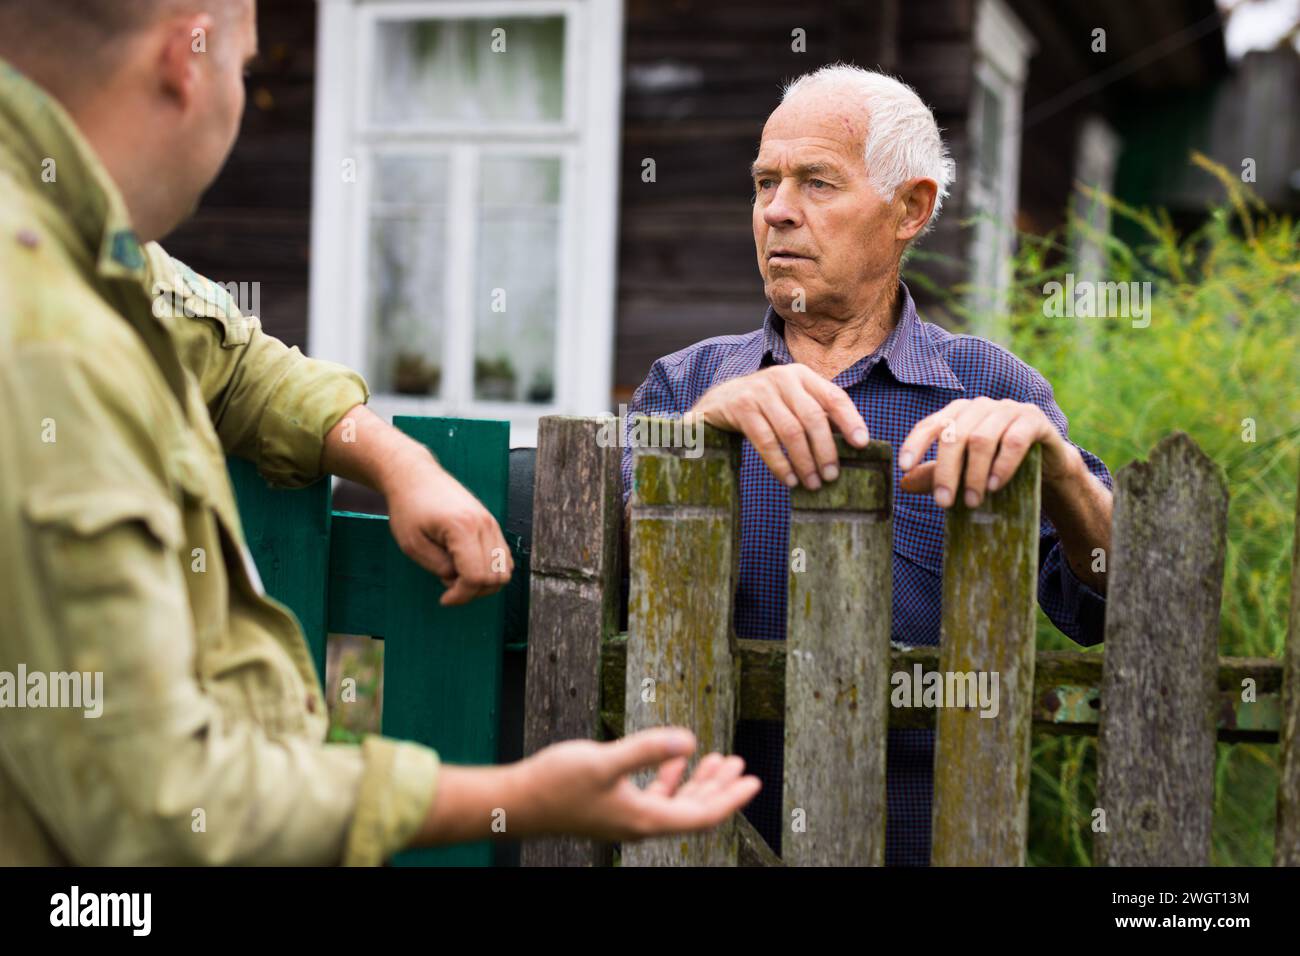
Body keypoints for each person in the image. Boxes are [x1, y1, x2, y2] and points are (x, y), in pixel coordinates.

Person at [0, 0, 759, 865]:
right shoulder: (44, 344)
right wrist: (520, 797)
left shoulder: (78, 249)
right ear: (185, 62)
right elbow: (164, 803)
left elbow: (233, 356)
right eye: (245, 69)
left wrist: (399, 460)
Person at [622, 64, 1114, 865]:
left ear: (910, 209)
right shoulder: (685, 384)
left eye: (817, 182)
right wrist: (701, 437)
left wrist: (1059, 473)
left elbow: (1107, 602)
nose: (777, 211)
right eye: (764, 183)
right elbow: (610, 592)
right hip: (702, 841)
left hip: (923, 840)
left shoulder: (990, 389)